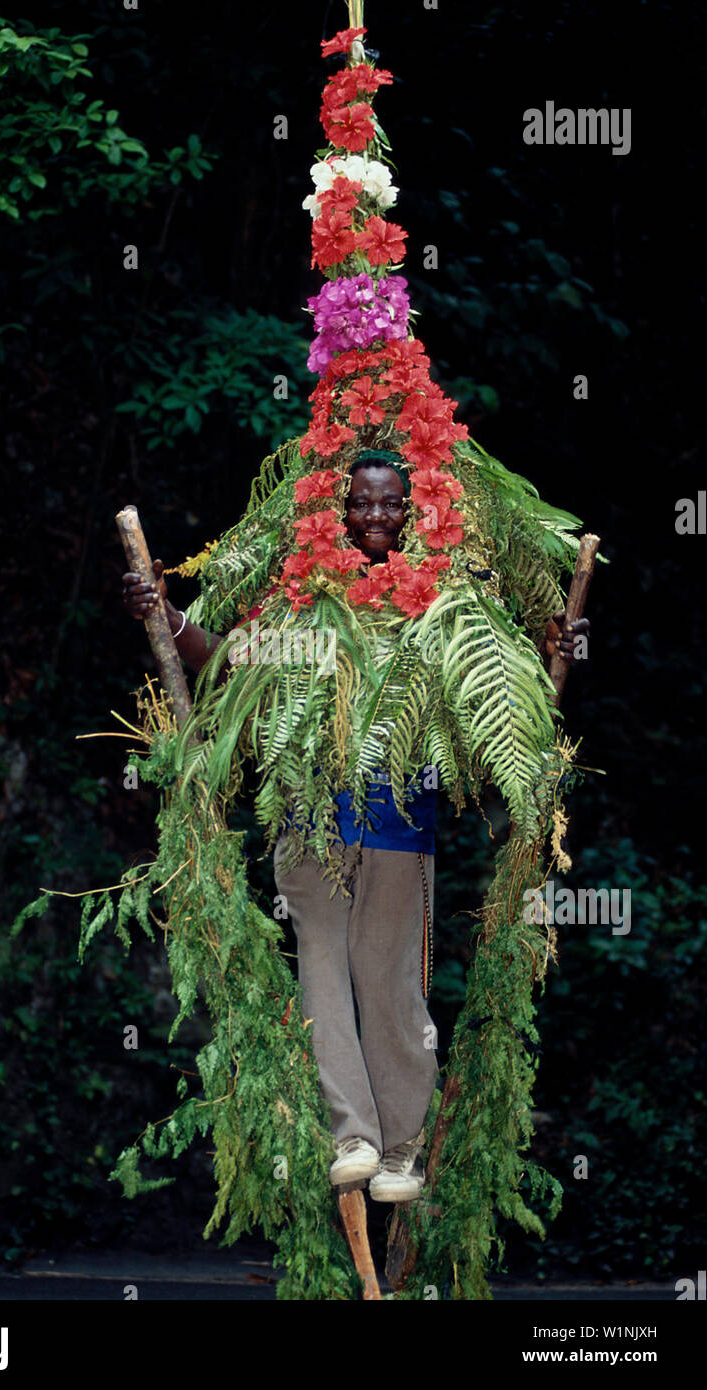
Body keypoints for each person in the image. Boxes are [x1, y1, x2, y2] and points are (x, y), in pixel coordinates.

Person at [122, 456, 588, 1202]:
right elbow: (227, 667)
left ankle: (403, 1148)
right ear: (338, 513)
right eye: (361, 504)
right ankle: (355, 1135)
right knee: (322, 975)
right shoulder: (299, 600)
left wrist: (551, 650)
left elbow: (486, 685)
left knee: (389, 978)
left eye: (391, 504)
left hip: (399, 818)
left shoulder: (444, 603)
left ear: (411, 510)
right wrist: (165, 617)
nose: (376, 517)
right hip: (309, 818)